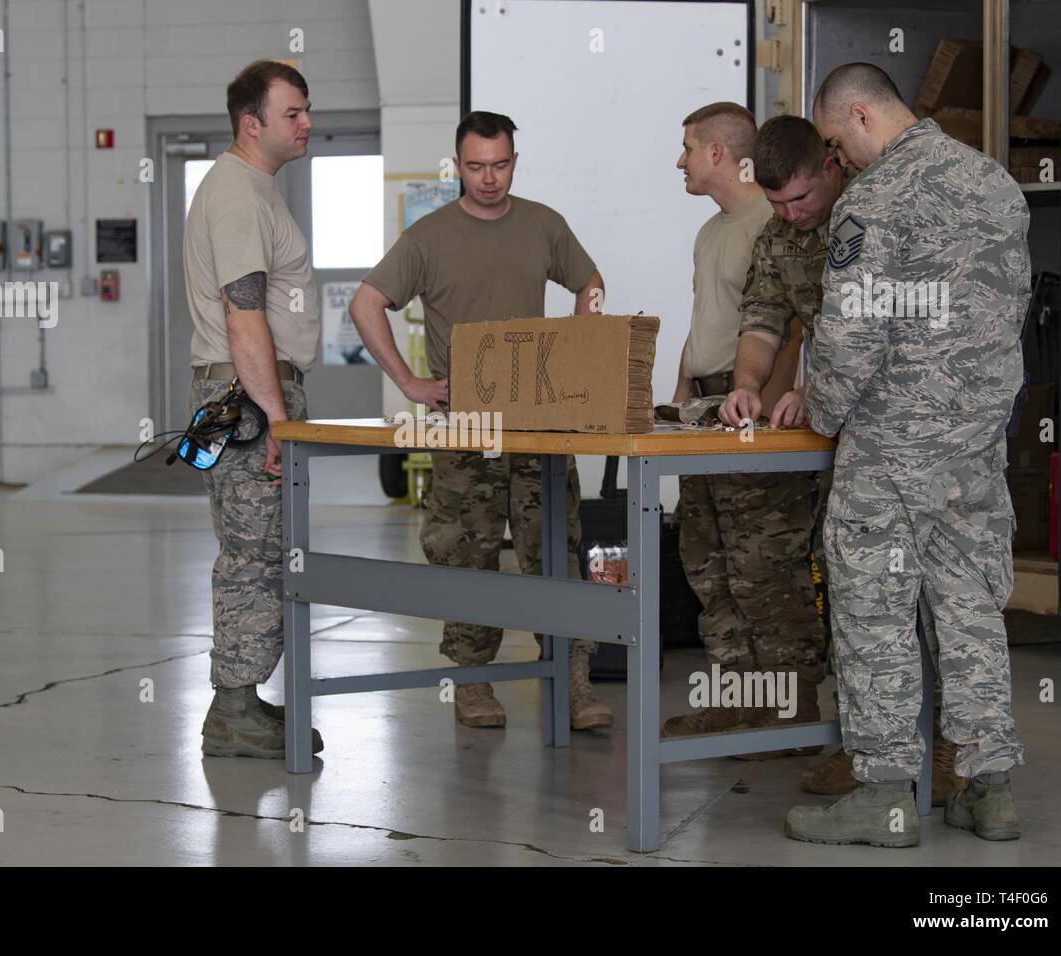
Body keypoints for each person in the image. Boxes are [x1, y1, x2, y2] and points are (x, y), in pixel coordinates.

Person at [785, 63, 1028, 847]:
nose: (837, 159)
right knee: (971, 609)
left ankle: (886, 796)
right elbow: (1008, 315)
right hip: (975, 448)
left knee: (874, 612)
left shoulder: (874, 201)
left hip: (890, 451)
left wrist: (822, 411)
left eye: (834, 142)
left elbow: (851, 339)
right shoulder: (995, 184)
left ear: (861, 116)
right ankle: (992, 791)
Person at [718, 115, 965, 799]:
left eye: (800, 198)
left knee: (931, 594)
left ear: (831, 166)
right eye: (776, 203)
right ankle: (868, 748)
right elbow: (762, 320)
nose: (791, 214)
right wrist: (748, 385)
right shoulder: (779, 237)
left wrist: (819, 389)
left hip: (914, 428)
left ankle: (949, 750)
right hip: (847, 442)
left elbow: (904, 328)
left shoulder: (877, 213)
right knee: (854, 598)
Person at [348, 111, 612, 730]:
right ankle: (472, 683)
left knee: (554, 549)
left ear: (514, 162)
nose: (489, 179)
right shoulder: (429, 238)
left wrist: (581, 345)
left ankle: (573, 682)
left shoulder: (543, 225)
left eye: (499, 165)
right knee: (466, 550)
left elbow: (591, 283)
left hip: (538, 423)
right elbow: (366, 303)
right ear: (457, 166)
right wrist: (409, 383)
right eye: (475, 167)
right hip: (465, 425)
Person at [663, 103, 825, 748]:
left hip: (752, 415)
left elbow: (785, 328)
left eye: (687, 148)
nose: (679, 161)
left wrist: (768, 412)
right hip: (707, 411)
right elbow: (704, 325)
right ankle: (739, 700)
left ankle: (792, 708)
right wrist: (678, 400)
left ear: (717, 153)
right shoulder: (711, 232)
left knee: (766, 564)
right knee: (708, 561)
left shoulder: (774, 221)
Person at [184, 60, 324, 759]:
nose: (306, 123)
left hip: (252, 394)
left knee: (262, 547)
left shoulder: (254, 188)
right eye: (292, 113)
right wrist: (273, 415)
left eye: (305, 110)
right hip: (248, 398)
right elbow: (243, 315)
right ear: (251, 123)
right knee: (253, 552)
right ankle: (233, 710)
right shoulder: (238, 192)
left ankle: (241, 701)